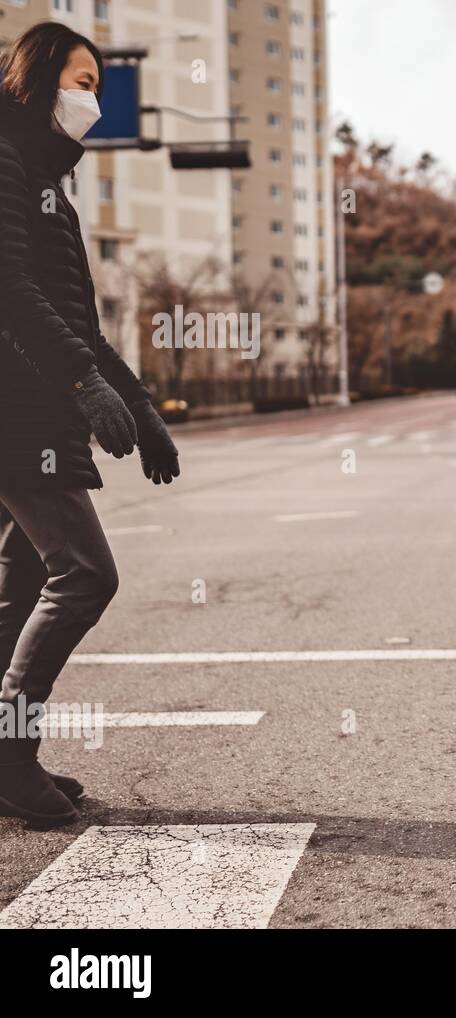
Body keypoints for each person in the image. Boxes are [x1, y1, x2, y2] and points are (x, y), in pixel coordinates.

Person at [0, 23, 180, 829]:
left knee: (21, 589)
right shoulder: (6, 161)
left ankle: (11, 760)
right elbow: (8, 290)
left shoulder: (47, 183)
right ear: (37, 79)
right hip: (19, 410)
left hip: (38, 408)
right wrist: (80, 383)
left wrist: (139, 408)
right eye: (82, 82)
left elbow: (83, 325)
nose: (93, 101)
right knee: (84, 575)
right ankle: (7, 754)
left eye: (99, 87)